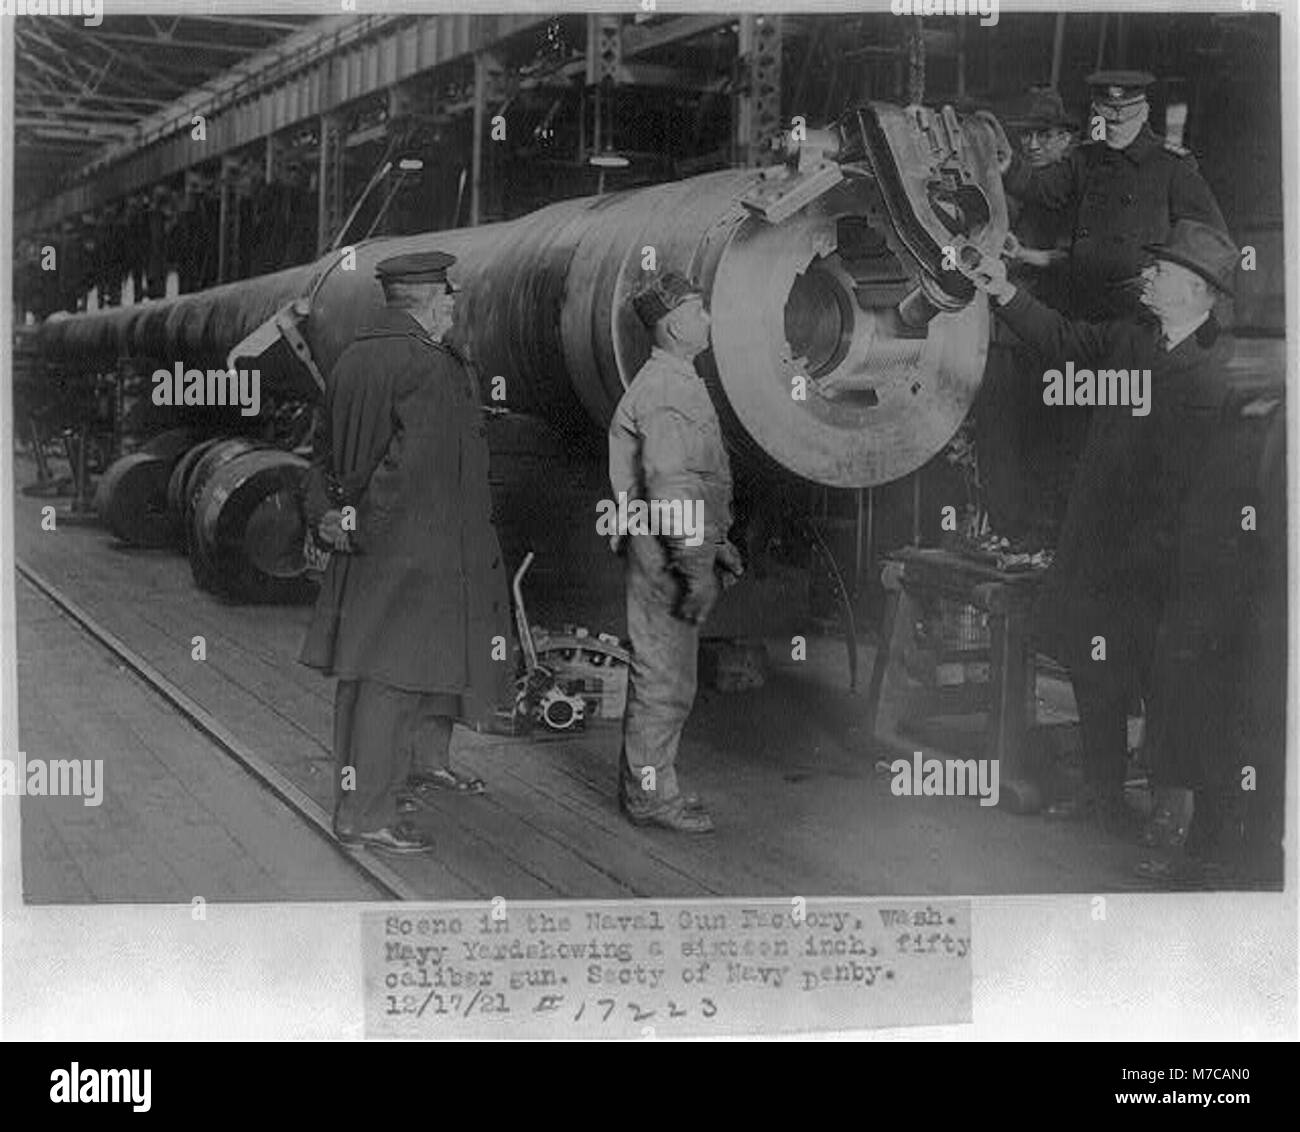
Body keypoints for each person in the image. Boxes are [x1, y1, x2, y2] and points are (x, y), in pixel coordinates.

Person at [964, 220, 1239, 837]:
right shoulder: (1130, 341)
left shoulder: (1218, 374)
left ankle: (1176, 816)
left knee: (1166, 685)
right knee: (1097, 670)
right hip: (1098, 550)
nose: (1148, 274)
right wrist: (1003, 290)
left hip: (1165, 564)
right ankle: (1102, 794)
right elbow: (1062, 338)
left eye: (1163, 271)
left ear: (1198, 290)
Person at [300, 251, 510, 854]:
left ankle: (362, 800)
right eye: (447, 297)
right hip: (410, 554)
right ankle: (367, 817)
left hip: (363, 551)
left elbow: (322, 458)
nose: (452, 306)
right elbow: (410, 470)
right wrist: (363, 524)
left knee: (366, 680)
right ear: (424, 301)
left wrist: (329, 518)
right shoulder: (430, 366)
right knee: (393, 683)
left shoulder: (350, 359)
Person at [608, 271, 743, 833]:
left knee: (667, 680)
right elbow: (670, 486)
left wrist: (719, 545)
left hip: (669, 543)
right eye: (699, 309)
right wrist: (694, 567)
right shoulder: (667, 389)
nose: (709, 319)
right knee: (662, 682)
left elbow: (692, 478)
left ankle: (654, 783)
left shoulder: (676, 380)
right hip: (664, 551)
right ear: (672, 322)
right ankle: (647, 797)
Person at [997, 70, 1228, 321]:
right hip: (1083, 303)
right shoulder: (1085, 159)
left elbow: (1211, 237)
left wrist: (1193, 304)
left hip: (1140, 309)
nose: (1116, 122)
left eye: (1125, 113)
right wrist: (1008, 166)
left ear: (1144, 112)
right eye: (1108, 113)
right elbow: (1042, 187)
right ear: (1098, 112)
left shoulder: (1171, 165)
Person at [977, 87, 1080, 543]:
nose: (1033, 144)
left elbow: (1080, 259)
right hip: (1002, 335)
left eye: (1045, 135)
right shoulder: (1011, 188)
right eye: (1027, 136)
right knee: (997, 440)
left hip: (1048, 335)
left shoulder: (1076, 189)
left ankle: (1042, 539)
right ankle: (1007, 534)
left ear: (1066, 139)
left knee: (1044, 440)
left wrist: (1028, 256)